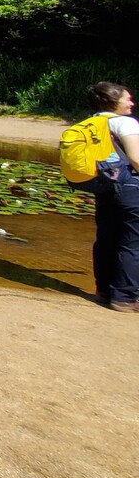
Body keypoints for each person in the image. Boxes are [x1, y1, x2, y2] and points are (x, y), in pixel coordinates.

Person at [86, 81, 139, 311]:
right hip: (129, 187)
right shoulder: (125, 122)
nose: (131, 103)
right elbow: (136, 158)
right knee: (133, 242)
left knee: (107, 237)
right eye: (127, 98)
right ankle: (125, 298)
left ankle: (104, 291)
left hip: (104, 187)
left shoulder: (90, 123)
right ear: (113, 101)